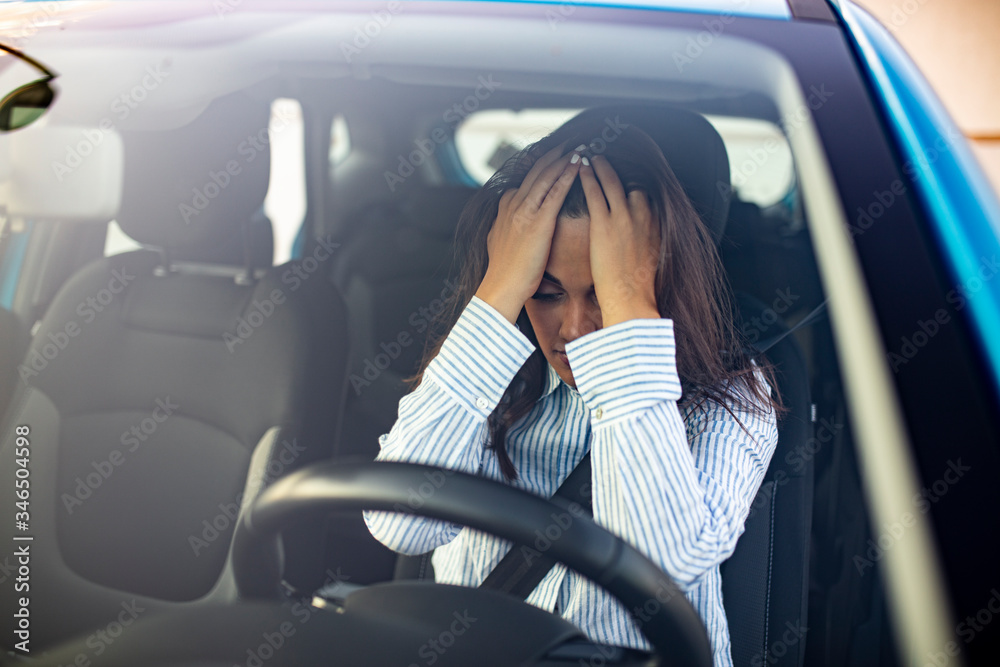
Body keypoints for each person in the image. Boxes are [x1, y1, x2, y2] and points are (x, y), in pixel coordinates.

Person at [364, 111, 781, 667]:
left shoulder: (734, 397)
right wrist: (499, 289)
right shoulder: (489, 375)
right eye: (546, 292)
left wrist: (632, 303)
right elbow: (399, 522)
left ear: (664, 281)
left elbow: (657, 574)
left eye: (604, 296)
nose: (576, 329)